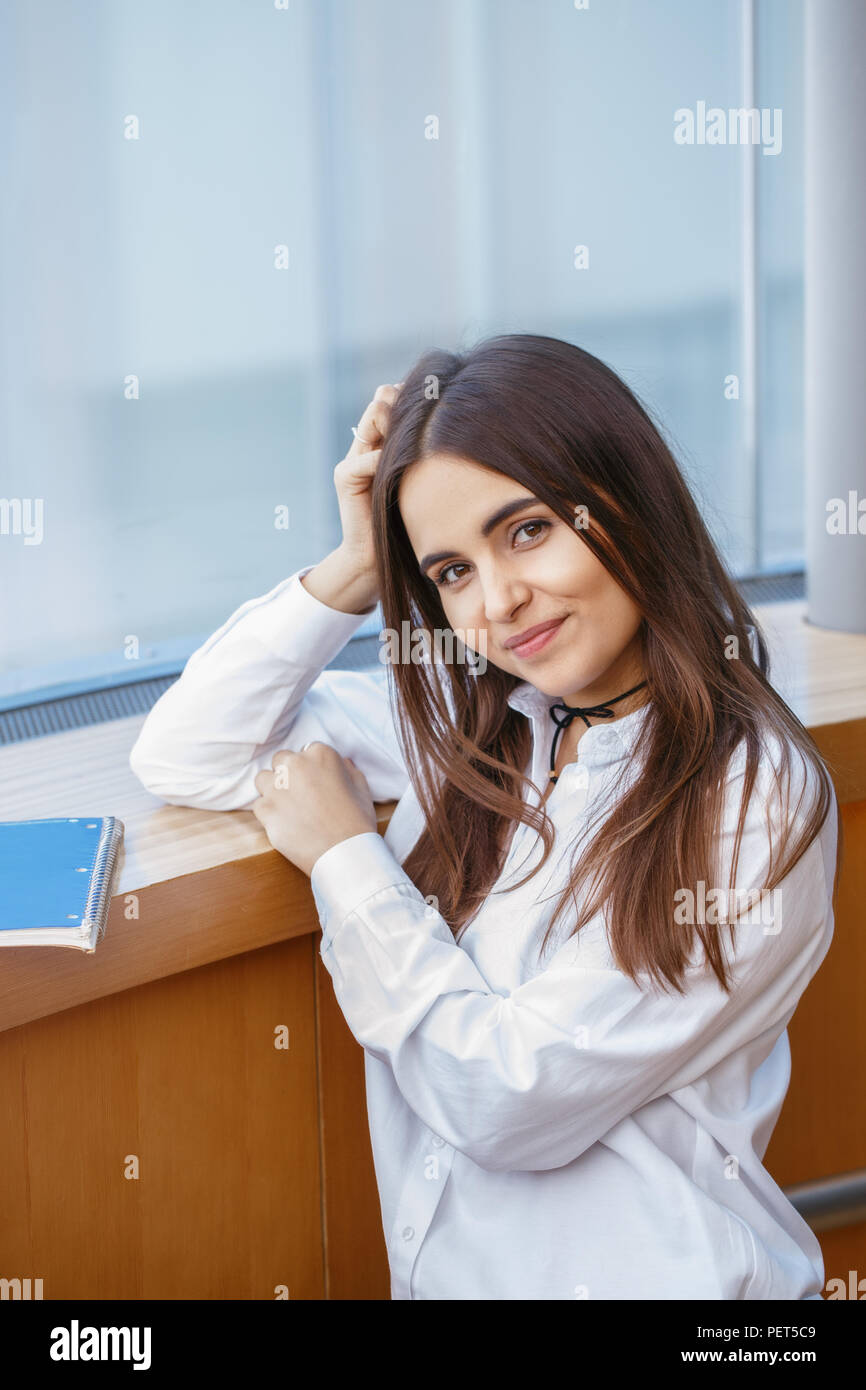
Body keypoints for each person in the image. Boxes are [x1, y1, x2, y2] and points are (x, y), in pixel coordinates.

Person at [129, 333, 840, 1301]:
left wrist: (347, 860)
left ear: (623, 498)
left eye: (527, 529)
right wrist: (351, 564)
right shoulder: (480, 722)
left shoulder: (748, 795)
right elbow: (187, 749)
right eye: (450, 571)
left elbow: (507, 1097)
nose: (499, 602)